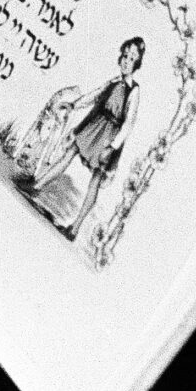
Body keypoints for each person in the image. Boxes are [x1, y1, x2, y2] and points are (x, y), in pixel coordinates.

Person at [21, 38, 145, 240]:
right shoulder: (114, 82)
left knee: (95, 180)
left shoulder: (134, 90)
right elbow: (95, 96)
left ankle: (74, 228)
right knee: (69, 153)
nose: (126, 61)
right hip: (95, 126)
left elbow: (128, 123)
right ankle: (36, 187)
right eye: (125, 55)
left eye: (132, 58)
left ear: (137, 64)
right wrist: (74, 105)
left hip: (109, 137)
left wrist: (112, 147)